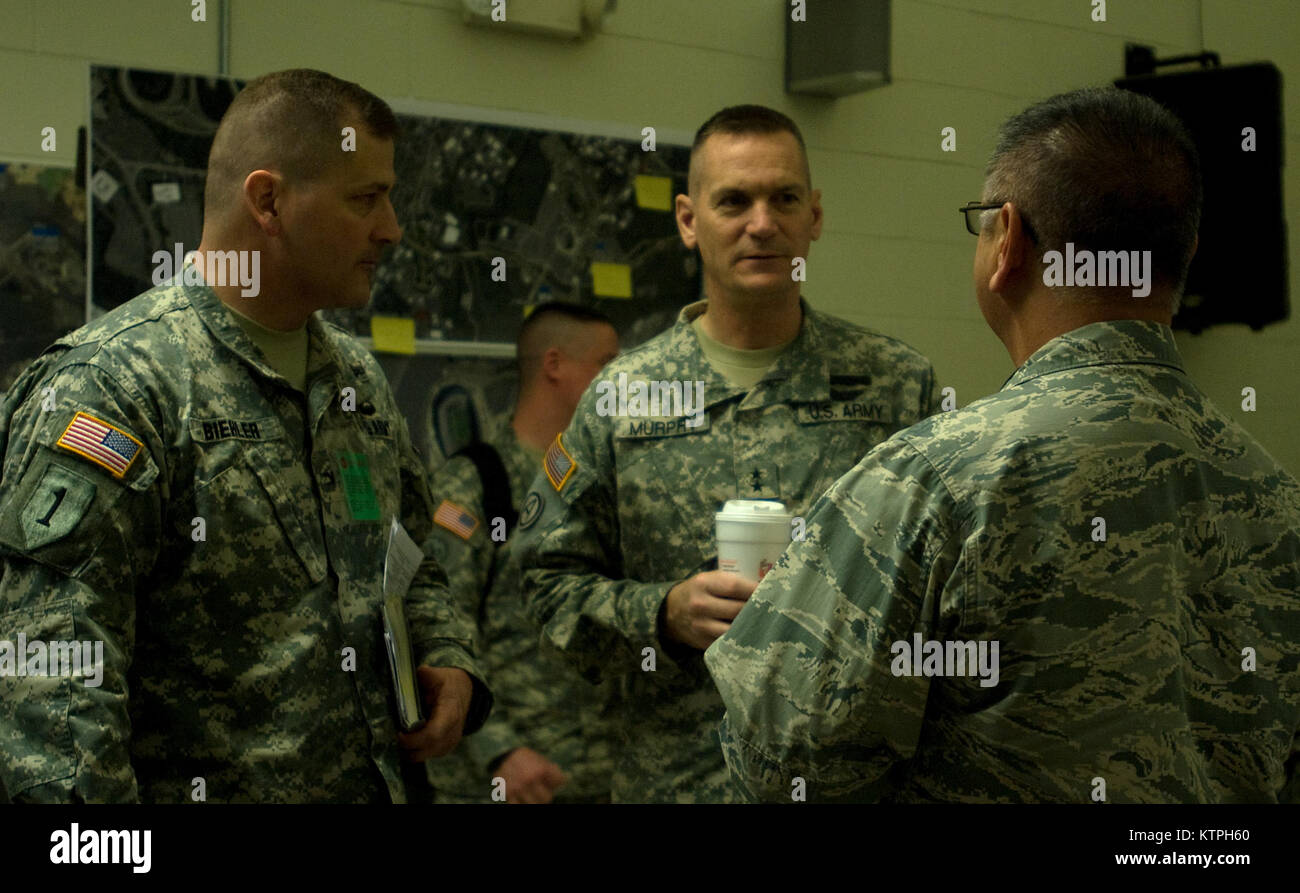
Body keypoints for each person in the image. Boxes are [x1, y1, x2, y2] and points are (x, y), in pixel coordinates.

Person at [704, 87, 1300, 803]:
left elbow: (782, 762)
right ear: (1186, 253)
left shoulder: (934, 480)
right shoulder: (1277, 497)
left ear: (1007, 241)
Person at [0, 69, 491, 803]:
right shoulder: (116, 384)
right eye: (366, 198)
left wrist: (447, 654)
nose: (390, 229)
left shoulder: (352, 378)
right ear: (268, 200)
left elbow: (408, 561)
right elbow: (53, 682)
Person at [514, 104, 940, 803]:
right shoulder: (621, 397)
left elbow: (946, 595)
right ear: (688, 220)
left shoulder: (896, 386)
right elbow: (543, 581)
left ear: (816, 216)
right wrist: (662, 613)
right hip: (676, 781)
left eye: (785, 199)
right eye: (734, 201)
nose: (762, 223)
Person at [425, 302, 619, 804]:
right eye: (606, 365)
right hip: (504, 778)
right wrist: (498, 750)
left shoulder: (604, 484)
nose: (622, 381)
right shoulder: (474, 485)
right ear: (554, 365)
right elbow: (439, 628)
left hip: (598, 773)